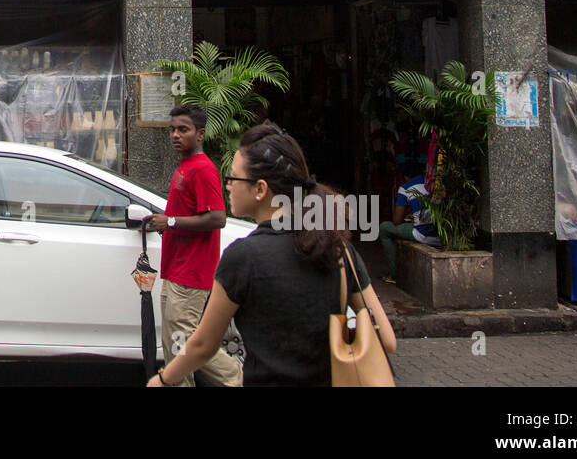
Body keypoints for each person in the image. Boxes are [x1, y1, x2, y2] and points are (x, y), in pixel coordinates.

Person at [148, 123, 396, 387]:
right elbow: (388, 341)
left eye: (233, 178)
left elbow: (202, 346)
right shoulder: (338, 249)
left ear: (260, 189)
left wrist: (163, 380)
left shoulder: (243, 257)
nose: (228, 186)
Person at [144, 104, 242, 387]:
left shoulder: (202, 169)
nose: (176, 135)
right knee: (175, 344)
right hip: (176, 270)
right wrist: (165, 224)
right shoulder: (186, 166)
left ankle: (237, 378)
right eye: (172, 130)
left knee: (186, 341)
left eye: (183, 130)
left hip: (191, 274)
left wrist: (171, 222)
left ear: (200, 134)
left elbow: (217, 218)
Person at [377, 163, 439, 283]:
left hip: (423, 234)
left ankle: (394, 275)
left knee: (384, 228)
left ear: (406, 177)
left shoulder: (405, 188)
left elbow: (397, 221)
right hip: (441, 236)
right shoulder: (432, 184)